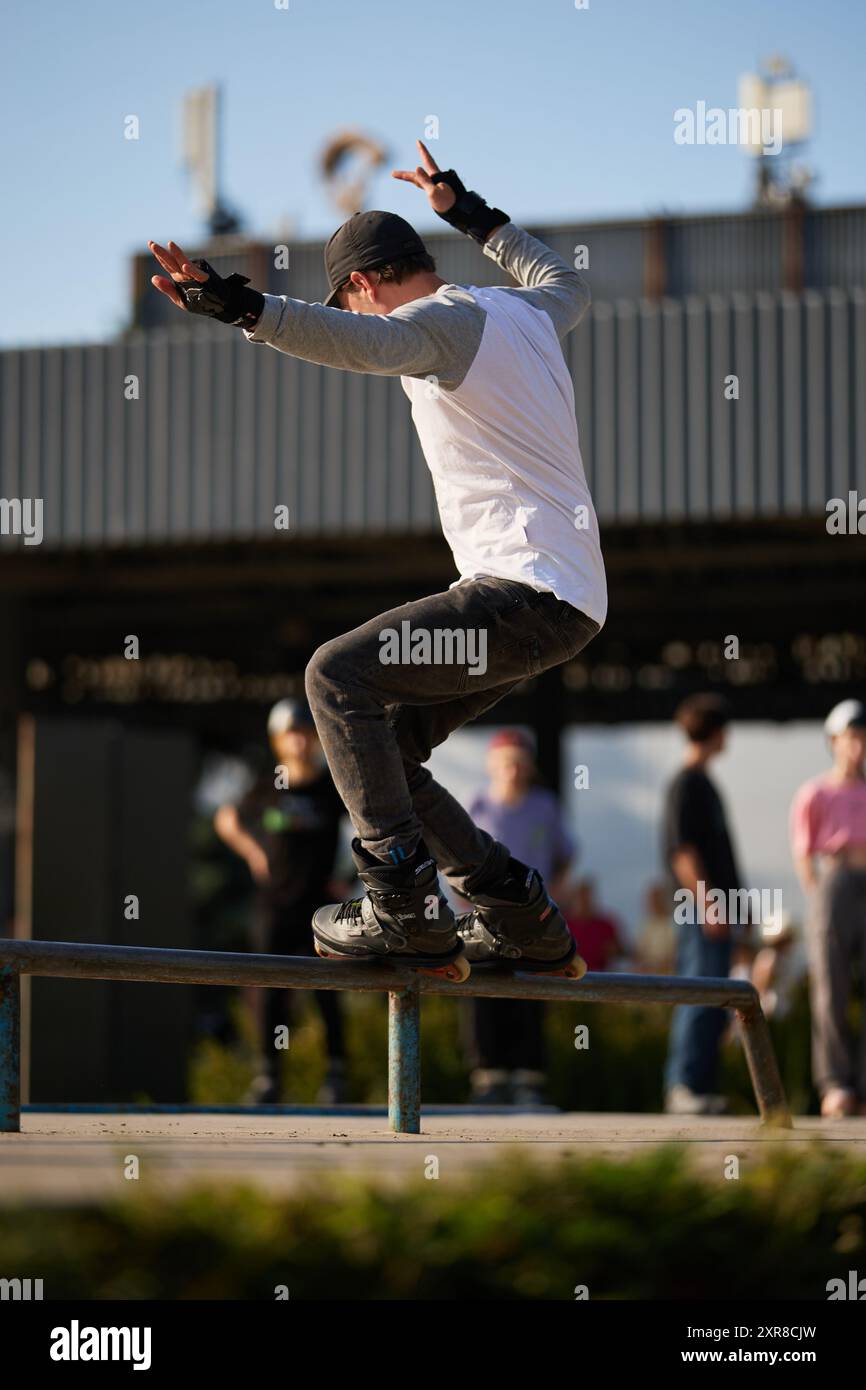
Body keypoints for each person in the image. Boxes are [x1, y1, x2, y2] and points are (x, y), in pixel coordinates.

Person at [151, 139, 604, 982]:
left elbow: (351, 345)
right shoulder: (529, 312)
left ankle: (402, 905)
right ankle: (514, 910)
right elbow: (563, 275)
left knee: (334, 679)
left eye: (353, 301)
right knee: (383, 749)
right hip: (564, 605)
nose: (360, 317)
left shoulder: (435, 325)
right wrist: (471, 214)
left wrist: (238, 306)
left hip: (519, 593)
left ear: (364, 284)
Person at [214, 699, 348, 1104]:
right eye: (291, 734)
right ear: (278, 740)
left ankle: (336, 1075)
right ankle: (269, 1075)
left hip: (321, 907)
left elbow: (366, 829)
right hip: (274, 903)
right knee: (271, 989)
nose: (299, 741)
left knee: (329, 989)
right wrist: (253, 851)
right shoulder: (270, 782)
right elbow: (227, 817)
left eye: (306, 733)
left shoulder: (332, 785)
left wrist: (348, 879)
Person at [465, 729, 576, 1104]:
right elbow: (453, 856)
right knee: (484, 993)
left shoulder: (544, 806)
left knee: (530, 994)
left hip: (533, 918)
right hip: (487, 917)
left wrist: (556, 893)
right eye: (506, 763)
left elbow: (566, 852)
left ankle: (528, 1080)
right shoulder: (476, 805)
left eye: (519, 764)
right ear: (493, 767)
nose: (513, 771)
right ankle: (489, 1078)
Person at [662, 694, 743, 1116]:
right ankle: (683, 1084)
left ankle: (702, 1085)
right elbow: (683, 852)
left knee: (715, 995)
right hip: (700, 908)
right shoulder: (687, 783)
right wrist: (709, 903)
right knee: (697, 990)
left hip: (716, 907)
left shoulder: (704, 782)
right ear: (715, 732)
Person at [790, 698, 866, 1119]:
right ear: (835, 741)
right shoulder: (814, 792)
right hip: (834, 882)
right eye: (851, 738)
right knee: (831, 987)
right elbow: (805, 850)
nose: (858, 747)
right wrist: (816, 892)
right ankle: (836, 1083)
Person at [564, 878, 627, 973]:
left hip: (600, 978)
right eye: (580, 898)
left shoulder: (606, 924)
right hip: (571, 977)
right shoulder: (562, 925)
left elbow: (623, 951)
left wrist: (614, 951)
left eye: (587, 897)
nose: (584, 902)